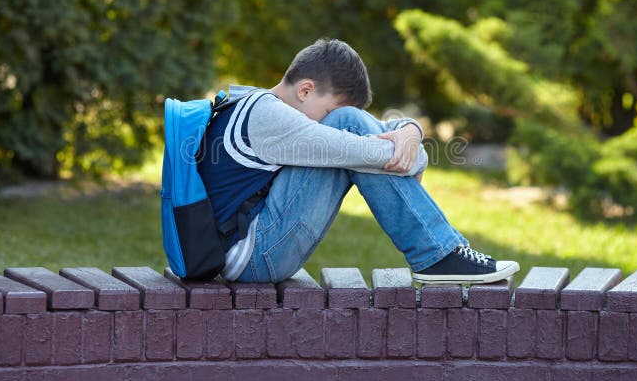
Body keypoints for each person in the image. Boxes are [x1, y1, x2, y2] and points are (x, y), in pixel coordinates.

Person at [197, 38, 520, 284]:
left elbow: (372, 146)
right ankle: (437, 255)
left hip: (254, 248)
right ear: (306, 90)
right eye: (327, 111)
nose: (326, 120)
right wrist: (412, 147)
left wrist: (409, 131)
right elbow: (364, 150)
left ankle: (439, 254)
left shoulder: (251, 101)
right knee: (348, 122)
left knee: (350, 123)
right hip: (253, 256)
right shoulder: (269, 116)